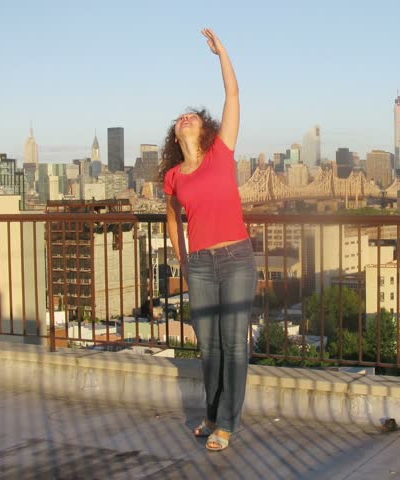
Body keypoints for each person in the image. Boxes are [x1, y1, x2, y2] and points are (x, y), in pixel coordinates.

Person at [160, 28, 256, 452]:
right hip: (199, 264)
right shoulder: (173, 176)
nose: (186, 118)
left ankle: (227, 424)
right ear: (175, 135)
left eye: (193, 116)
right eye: (181, 118)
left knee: (234, 345)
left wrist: (222, 54)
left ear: (205, 128)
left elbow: (233, 95)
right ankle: (213, 415)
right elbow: (172, 218)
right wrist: (182, 259)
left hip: (236, 260)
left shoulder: (222, 152)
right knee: (209, 348)